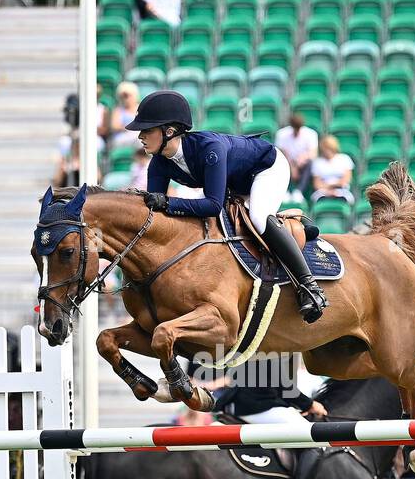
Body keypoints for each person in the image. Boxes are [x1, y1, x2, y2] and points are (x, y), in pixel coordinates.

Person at [128, 90, 328, 322]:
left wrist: (169, 202)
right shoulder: (158, 164)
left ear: (169, 132)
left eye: (147, 130)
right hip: (233, 182)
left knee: (259, 217)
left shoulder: (209, 149)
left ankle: (309, 286)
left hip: (266, 168)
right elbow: (158, 214)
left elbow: (213, 205)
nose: (140, 136)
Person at [274, 112, 318, 200]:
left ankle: (299, 192)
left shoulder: (311, 134)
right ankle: (284, 192)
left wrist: (301, 159)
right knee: (278, 164)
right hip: (287, 163)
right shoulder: (282, 134)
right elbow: (281, 153)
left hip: (303, 164)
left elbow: (313, 153)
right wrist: (292, 167)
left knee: (310, 163)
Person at [310, 135, 355, 203]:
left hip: (341, 190)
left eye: (329, 148)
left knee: (349, 199)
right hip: (323, 191)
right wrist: (329, 189)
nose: (327, 151)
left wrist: (332, 187)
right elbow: (317, 184)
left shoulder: (345, 158)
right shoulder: (317, 162)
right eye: (325, 148)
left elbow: (346, 180)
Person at [104, 82, 141, 151]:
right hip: (121, 138)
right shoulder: (118, 110)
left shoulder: (140, 108)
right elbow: (114, 126)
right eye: (123, 97)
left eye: (127, 96)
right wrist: (130, 127)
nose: (125, 99)